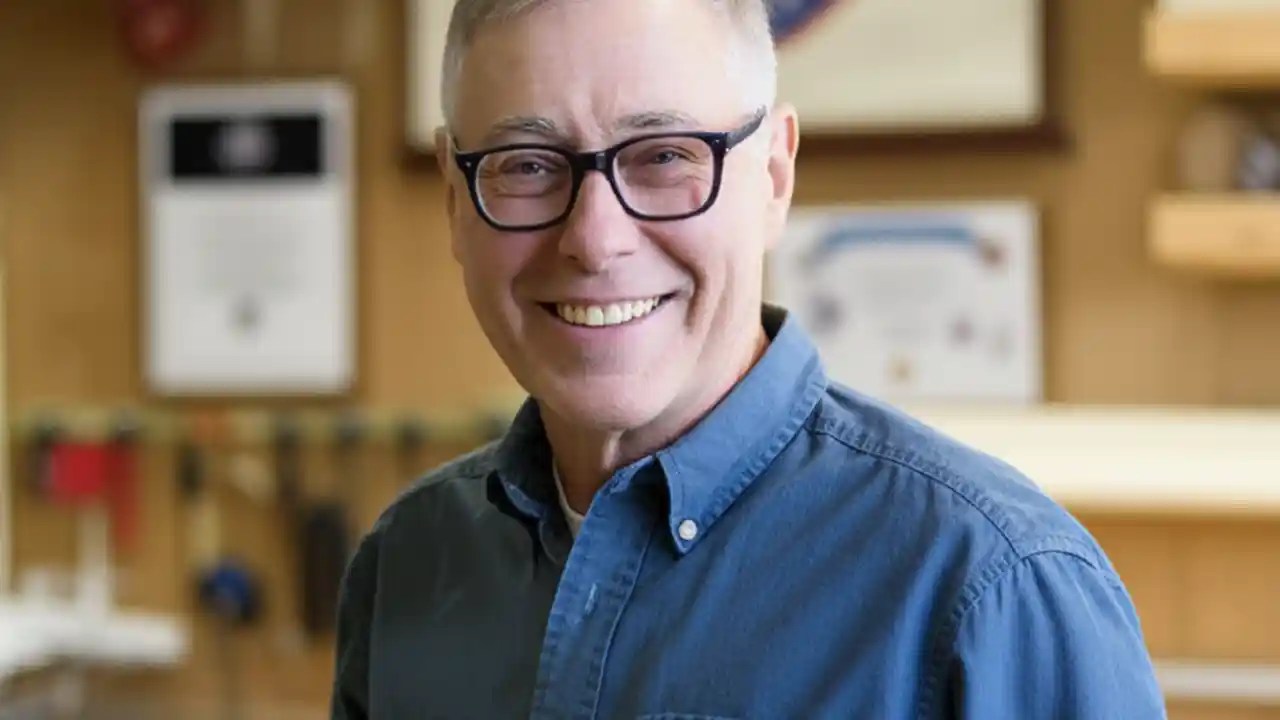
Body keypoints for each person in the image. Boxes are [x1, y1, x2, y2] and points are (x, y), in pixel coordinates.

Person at [331, 0, 1167, 717]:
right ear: (453, 196)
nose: (593, 239)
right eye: (527, 166)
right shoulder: (409, 564)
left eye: (663, 156)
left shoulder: (993, 587)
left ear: (773, 173)